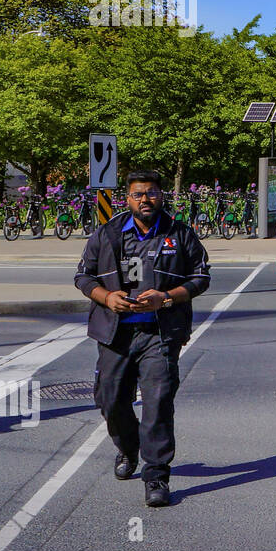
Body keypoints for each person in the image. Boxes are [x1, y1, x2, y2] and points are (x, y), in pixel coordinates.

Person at [74, 170, 210, 507]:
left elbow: (201, 277)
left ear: (161, 196)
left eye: (151, 193)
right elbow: (83, 275)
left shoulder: (180, 234)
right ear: (127, 198)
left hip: (160, 333)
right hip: (114, 331)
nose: (145, 199)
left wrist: (166, 298)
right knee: (110, 399)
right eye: (137, 194)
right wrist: (106, 297)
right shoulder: (107, 233)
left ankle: (157, 475)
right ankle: (128, 447)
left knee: (158, 402)